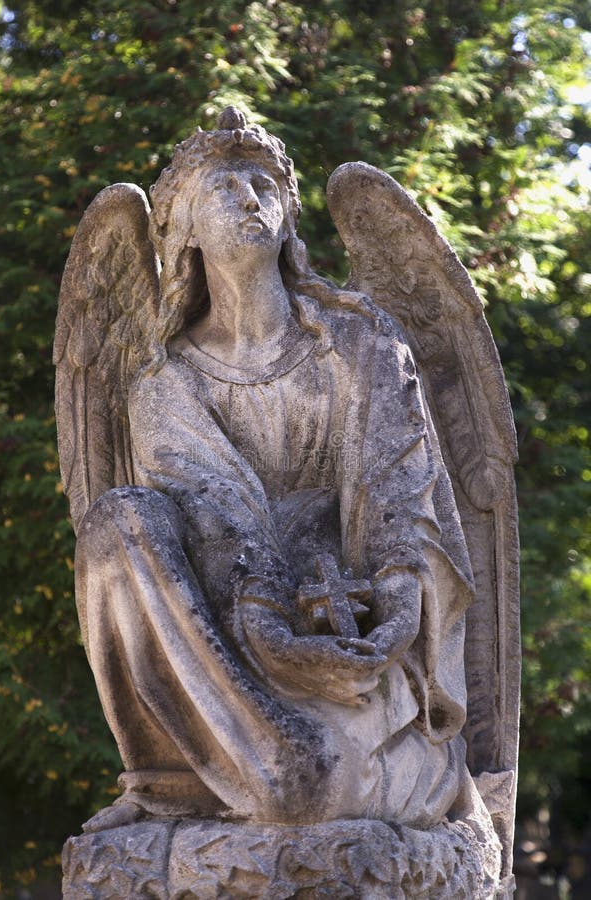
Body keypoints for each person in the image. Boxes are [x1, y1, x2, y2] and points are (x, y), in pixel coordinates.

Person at [75, 108, 478, 834]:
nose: (250, 198)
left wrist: (393, 613)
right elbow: (217, 519)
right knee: (120, 521)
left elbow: (405, 505)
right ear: (184, 229)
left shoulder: (361, 348)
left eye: (265, 184)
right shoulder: (165, 387)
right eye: (224, 187)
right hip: (237, 649)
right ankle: (184, 775)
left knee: (315, 786)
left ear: (291, 217)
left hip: (358, 655)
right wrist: (266, 626)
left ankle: (292, 774)